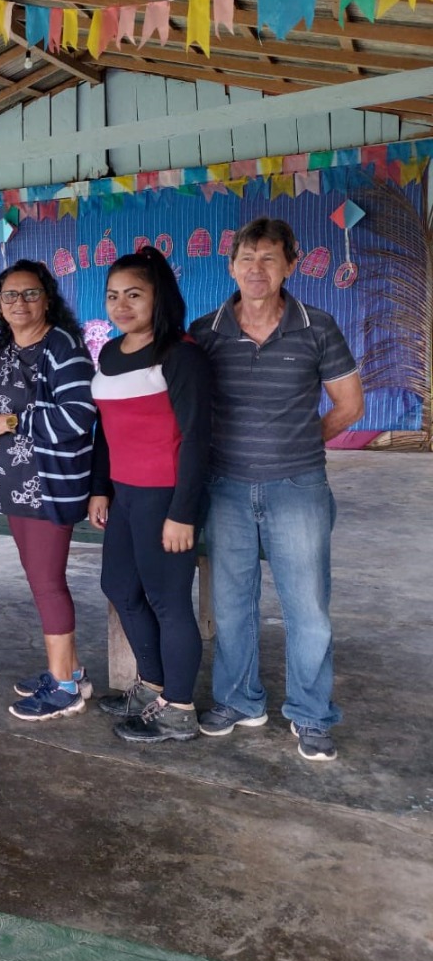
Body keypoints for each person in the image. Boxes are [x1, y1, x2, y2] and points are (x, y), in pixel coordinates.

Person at [190, 217, 363, 761]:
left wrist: (297, 443)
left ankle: (312, 714)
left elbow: (350, 406)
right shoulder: (204, 332)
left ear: (290, 264)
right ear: (231, 265)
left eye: (269, 259)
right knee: (233, 603)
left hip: (298, 487)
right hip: (226, 489)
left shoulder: (319, 327)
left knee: (307, 607)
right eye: (247, 258)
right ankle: (240, 700)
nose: (256, 269)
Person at [89, 247, 213, 743]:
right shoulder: (109, 353)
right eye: (114, 296)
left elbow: (197, 439)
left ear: (159, 298)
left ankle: (179, 710)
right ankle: (152, 685)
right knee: (120, 589)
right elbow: (105, 429)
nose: (122, 305)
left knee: (167, 602)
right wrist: (100, 489)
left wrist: (183, 513)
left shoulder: (181, 356)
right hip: (125, 495)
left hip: (167, 497)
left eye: (134, 295)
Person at [0, 261, 98, 722]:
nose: (19, 303)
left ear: (47, 298)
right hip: (12, 485)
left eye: (29, 294)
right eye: (9, 296)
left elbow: (78, 416)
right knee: (38, 579)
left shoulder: (63, 347)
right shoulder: (4, 345)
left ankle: (65, 689)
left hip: (47, 484)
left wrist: (11, 422)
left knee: (48, 583)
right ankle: (68, 668)